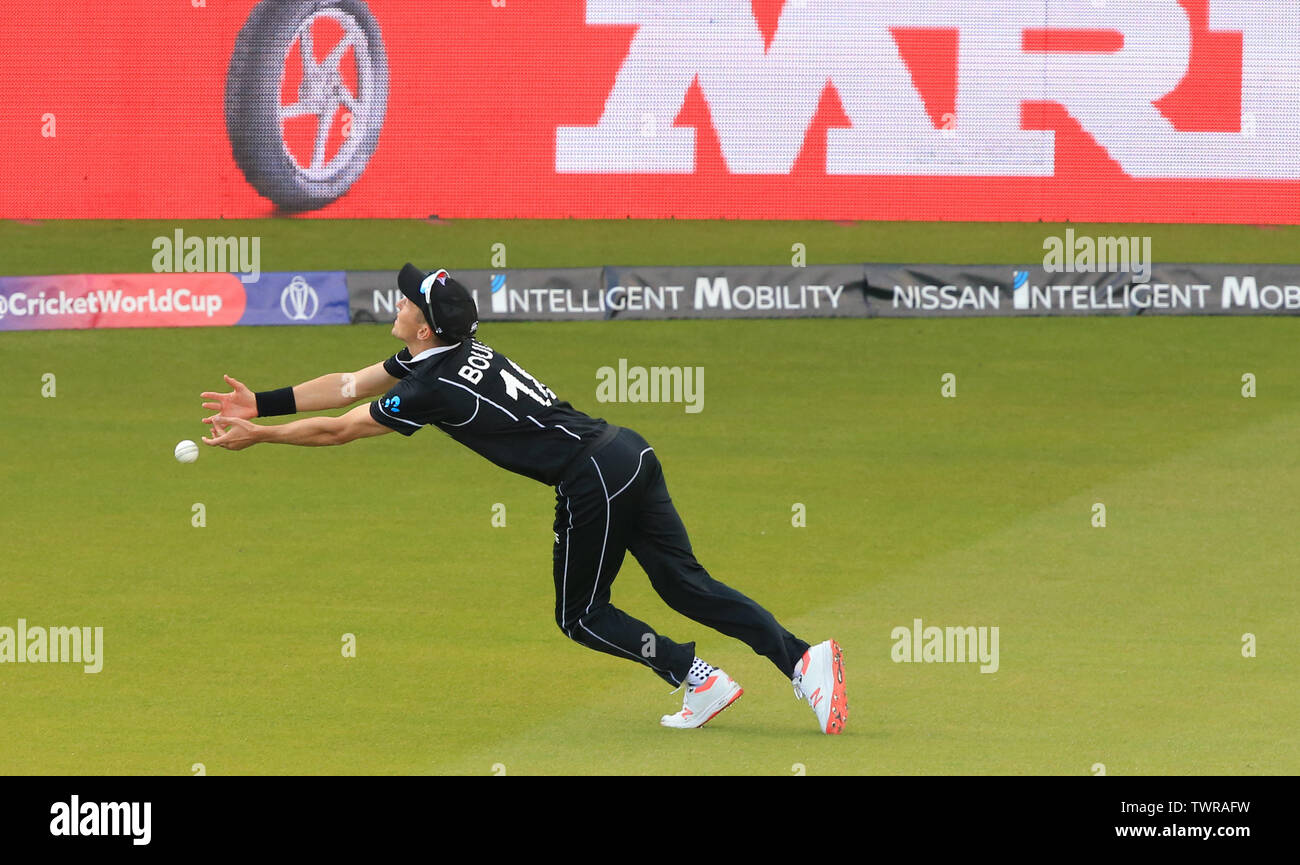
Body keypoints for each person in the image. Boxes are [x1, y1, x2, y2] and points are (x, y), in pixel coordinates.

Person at [201, 263, 847, 734]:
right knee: (686, 585)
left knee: (581, 615)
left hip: (590, 477)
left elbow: (343, 428)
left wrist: (261, 437)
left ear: (424, 328)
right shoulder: (451, 352)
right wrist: (260, 402)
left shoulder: (431, 389)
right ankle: (802, 660)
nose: (397, 302)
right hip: (629, 451)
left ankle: (693, 674)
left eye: (408, 301)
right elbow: (345, 383)